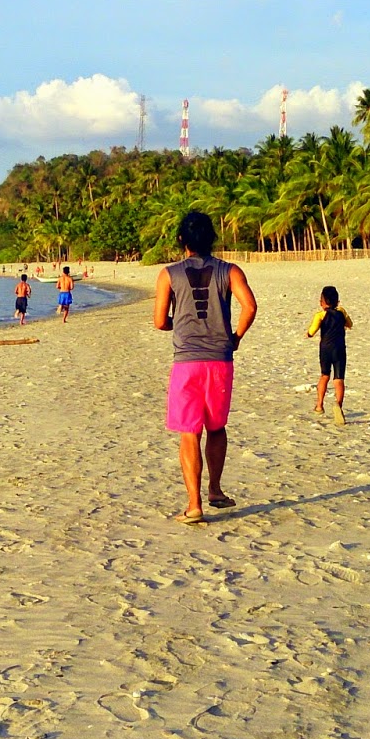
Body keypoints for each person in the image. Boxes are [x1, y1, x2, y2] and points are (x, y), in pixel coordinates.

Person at [153, 211, 257, 524]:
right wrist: (235, 336)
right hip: (220, 360)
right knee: (216, 427)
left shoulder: (169, 274)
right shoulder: (230, 271)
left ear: (181, 240)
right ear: (211, 238)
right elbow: (250, 307)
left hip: (187, 362)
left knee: (189, 432)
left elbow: (159, 321)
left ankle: (194, 504)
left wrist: (179, 322)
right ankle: (215, 489)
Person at [306, 285, 352, 424]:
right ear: (337, 301)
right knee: (339, 379)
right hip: (339, 349)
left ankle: (319, 405)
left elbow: (312, 331)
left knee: (324, 376)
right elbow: (350, 324)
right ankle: (338, 404)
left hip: (325, 349)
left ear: (322, 302)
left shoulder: (320, 315)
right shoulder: (341, 312)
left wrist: (308, 334)